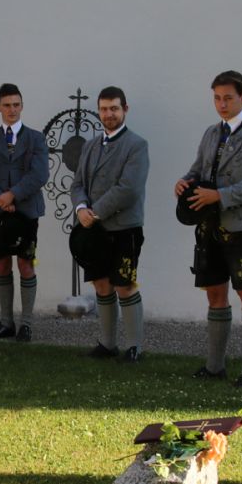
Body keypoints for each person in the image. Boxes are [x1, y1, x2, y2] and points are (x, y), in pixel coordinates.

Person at [174, 70, 242, 388]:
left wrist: (220, 196)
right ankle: (215, 365)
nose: (222, 104)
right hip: (208, 225)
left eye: (228, 98)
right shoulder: (210, 133)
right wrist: (185, 182)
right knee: (215, 293)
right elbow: (198, 168)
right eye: (217, 98)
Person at [71, 86, 150, 362]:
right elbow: (78, 183)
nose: (109, 114)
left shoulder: (137, 145)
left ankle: (134, 347)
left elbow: (128, 188)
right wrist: (81, 207)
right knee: (102, 286)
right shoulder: (91, 146)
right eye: (104, 109)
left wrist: (94, 212)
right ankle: (107, 344)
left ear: (125, 109)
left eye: (114, 108)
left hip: (124, 228)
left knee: (124, 285)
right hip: (96, 231)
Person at [0, 83, 49, 342]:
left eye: (16, 104)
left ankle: (25, 324)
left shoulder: (35, 138)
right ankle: (6, 322)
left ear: (22, 106)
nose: (12, 110)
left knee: (26, 263)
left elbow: (39, 174)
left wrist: (12, 195)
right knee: (2, 263)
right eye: (6, 105)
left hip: (26, 210)